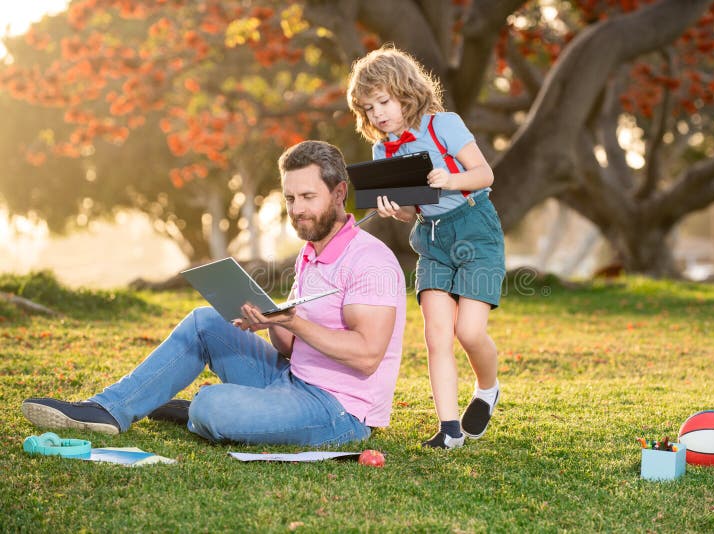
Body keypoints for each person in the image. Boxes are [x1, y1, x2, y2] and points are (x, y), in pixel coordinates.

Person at [21, 140, 406, 446]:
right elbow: (290, 346)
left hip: (338, 411)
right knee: (205, 321)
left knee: (210, 405)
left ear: (339, 194)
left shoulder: (371, 260)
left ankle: (201, 411)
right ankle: (108, 409)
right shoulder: (311, 253)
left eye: (308, 197)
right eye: (290, 199)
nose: (297, 210)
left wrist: (295, 322)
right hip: (293, 378)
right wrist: (271, 320)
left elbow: (367, 356)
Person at [346, 46, 505, 449]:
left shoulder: (444, 125)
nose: (377, 114)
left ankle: (487, 390)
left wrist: (449, 180)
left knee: (469, 331)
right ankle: (449, 429)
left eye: (383, 101)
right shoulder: (382, 151)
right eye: (368, 109)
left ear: (406, 93)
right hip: (431, 239)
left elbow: (485, 175)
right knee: (437, 335)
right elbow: (410, 210)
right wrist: (393, 210)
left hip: (475, 229)